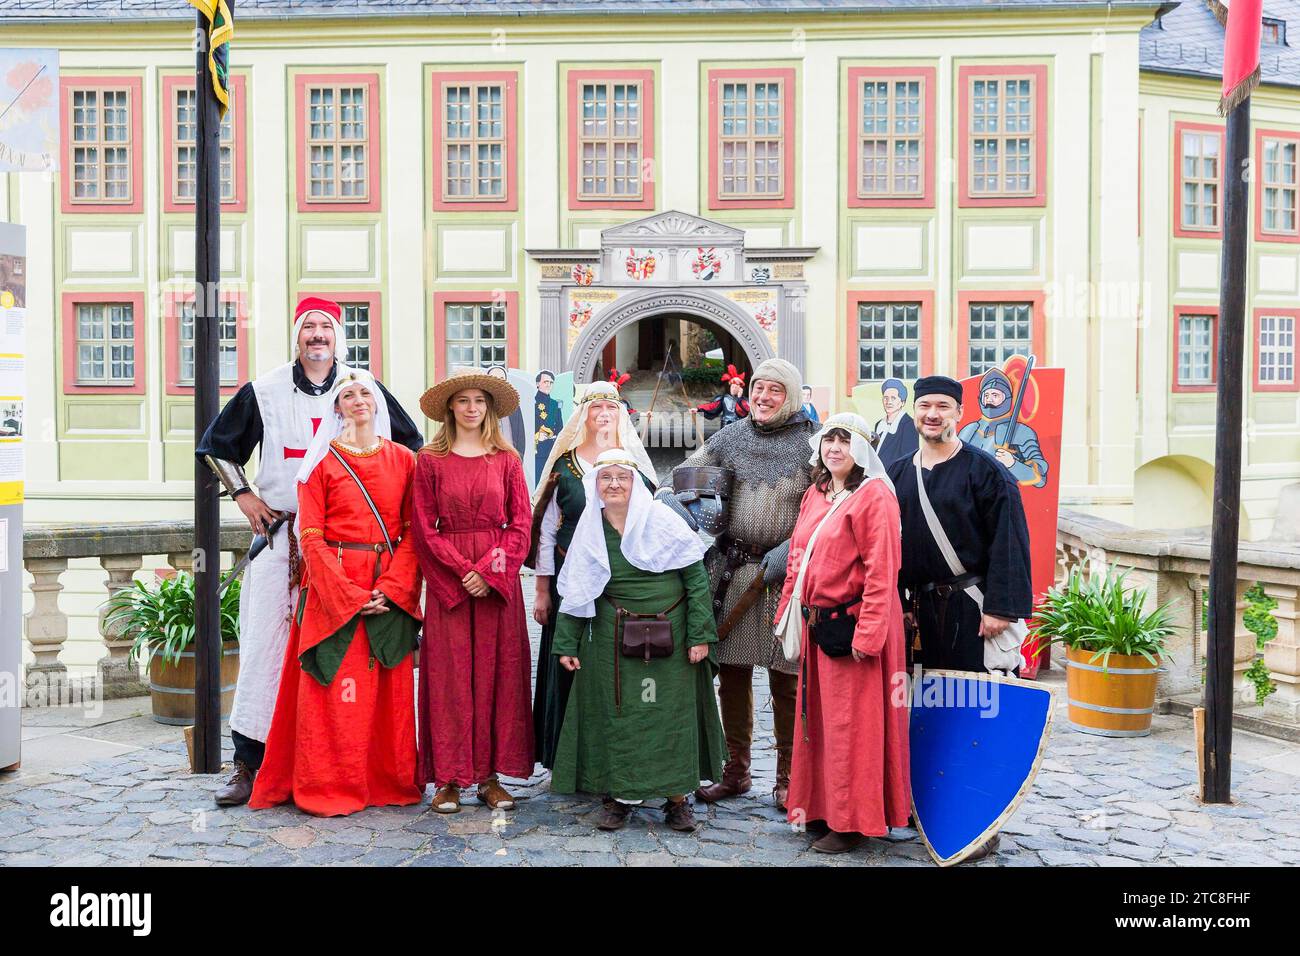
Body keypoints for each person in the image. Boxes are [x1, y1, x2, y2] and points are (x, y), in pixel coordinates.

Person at [196, 296, 422, 807]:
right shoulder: (266, 390)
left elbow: (411, 450)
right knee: (266, 645)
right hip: (283, 536)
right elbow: (217, 447)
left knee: (346, 656)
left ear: (338, 338)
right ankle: (250, 762)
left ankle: (345, 763)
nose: (317, 335)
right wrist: (245, 496)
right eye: (309, 328)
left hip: (348, 550)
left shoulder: (361, 388)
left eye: (326, 327)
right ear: (296, 336)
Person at [249, 370, 423, 817]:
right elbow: (310, 539)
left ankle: (385, 779)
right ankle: (329, 780)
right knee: (334, 691)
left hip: (388, 585)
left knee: (386, 690)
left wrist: (392, 588)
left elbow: (412, 532)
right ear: (337, 407)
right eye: (349, 394)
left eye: (366, 392)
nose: (359, 400)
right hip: (334, 588)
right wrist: (348, 595)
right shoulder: (319, 466)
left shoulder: (406, 460)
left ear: (378, 403)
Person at [551, 450, 727, 833]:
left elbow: (696, 581)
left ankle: (678, 799)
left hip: (674, 636)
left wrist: (700, 635)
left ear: (636, 483)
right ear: (595, 485)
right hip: (613, 638)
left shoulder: (663, 522)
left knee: (670, 715)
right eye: (606, 477)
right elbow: (578, 590)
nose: (614, 484)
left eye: (622, 477)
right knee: (619, 715)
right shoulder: (590, 528)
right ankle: (619, 797)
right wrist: (567, 643)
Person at [674, 357, 815, 810]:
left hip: (786, 577)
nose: (763, 397)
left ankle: (789, 776)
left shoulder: (814, 445)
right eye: (758, 388)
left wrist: (793, 550)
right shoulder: (730, 437)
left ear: (790, 396)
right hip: (733, 574)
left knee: (786, 680)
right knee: (731, 678)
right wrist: (656, 498)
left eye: (775, 390)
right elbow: (686, 479)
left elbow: (832, 504)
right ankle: (735, 773)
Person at [773, 413, 909, 853]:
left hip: (853, 630)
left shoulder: (875, 498)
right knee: (819, 725)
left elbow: (882, 572)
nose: (834, 448)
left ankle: (851, 822)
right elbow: (799, 554)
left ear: (863, 450)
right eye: (829, 439)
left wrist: (866, 638)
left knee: (852, 728)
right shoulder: (817, 493)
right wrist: (787, 609)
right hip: (819, 626)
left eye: (845, 441)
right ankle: (820, 808)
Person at [411, 367, 534, 813]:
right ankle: (448, 778)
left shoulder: (507, 459)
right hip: (451, 584)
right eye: (462, 401)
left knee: (498, 676)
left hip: (497, 585)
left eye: (478, 401)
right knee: (450, 679)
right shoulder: (429, 460)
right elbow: (424, 529)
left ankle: (489, 776)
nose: (470, 408)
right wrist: (465, 572)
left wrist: (490, 571)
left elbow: (521, 524)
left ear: (489, 409)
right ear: (450, 408)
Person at [528, 379, 657, 771]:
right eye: (596, 408)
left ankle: (614, 755)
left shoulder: (633, 467)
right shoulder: (564, 467)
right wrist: (542, 591)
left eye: (612, 408)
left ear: (621, 415)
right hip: (571, 582)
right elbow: (548, 532)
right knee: (570, 664)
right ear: (583, 415)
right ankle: (568, 758)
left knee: (613, 669)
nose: (604, 414)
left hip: (622, 587)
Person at [957, 366, 1049, 488]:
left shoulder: (1022, 432)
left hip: (1003, 497)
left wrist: (1013, 464)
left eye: (995, 395)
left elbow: (1040, 478)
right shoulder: (968, 429)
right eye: (986, 395)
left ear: (1007, 399)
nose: (989, 400)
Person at [873, 378, 918, 467]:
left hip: (894, 478)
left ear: (902, 402)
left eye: (893, 398)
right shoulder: (879, 424)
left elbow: (908, 461)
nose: (888, 402)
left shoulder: (909, 425)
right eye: (886, 398)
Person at [532, 370, 563, 485]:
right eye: (545, 381)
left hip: (552, 451)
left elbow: (560, 428)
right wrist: (536, 436)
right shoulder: (531, 402)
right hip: (537, 452)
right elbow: (525, 429)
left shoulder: (555, 404)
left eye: (551, 382)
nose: (548, 384)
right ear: (537, 384)